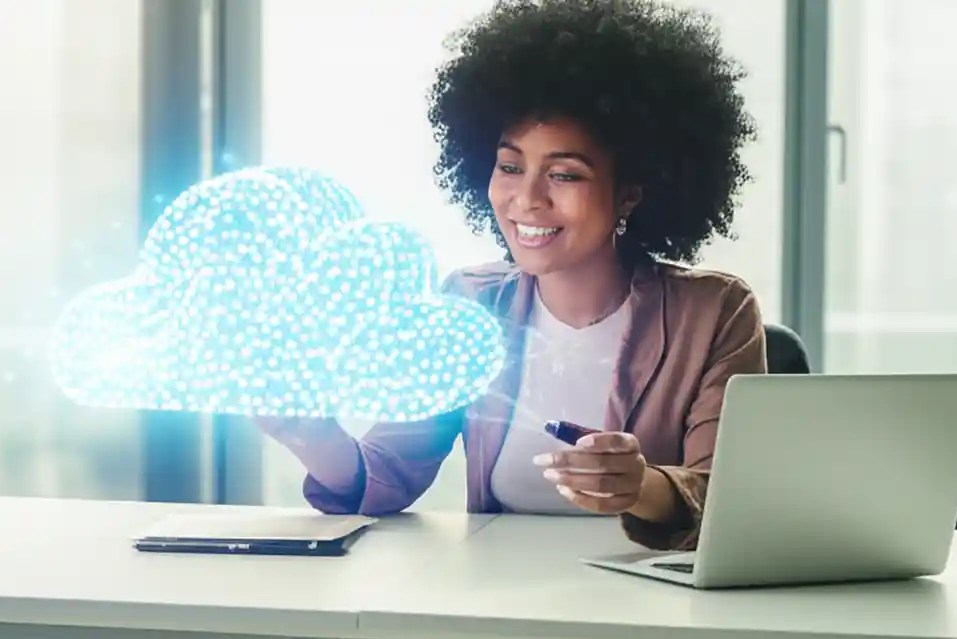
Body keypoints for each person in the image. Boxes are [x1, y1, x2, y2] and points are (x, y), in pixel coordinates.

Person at [257, 0, 764, 551]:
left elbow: (730, 499)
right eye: (511, 167)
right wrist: (311, 436)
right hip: (496, 594)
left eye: (564, 174)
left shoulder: (714, 314)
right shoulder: (469, 306)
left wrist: (641, 487)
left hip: (651, 597)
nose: (526, 199)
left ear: (630, 194)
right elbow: (386, 475)